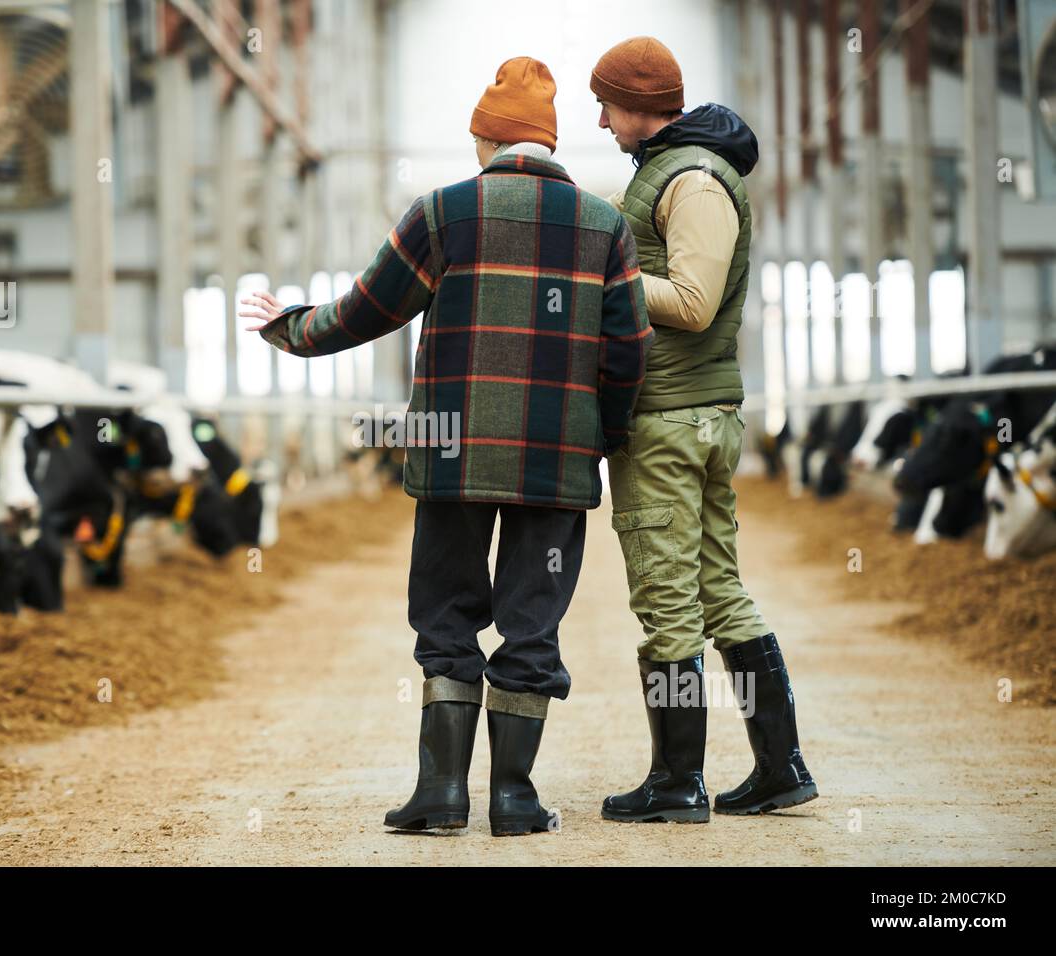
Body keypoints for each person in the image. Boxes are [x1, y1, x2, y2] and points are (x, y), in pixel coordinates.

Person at [242, 56, 651, 836]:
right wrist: (605, 435)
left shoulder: (443, 212)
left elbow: (366, 309)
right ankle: (514, 799)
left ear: (485, 139)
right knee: (533, 621)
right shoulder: (606, 226)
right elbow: (629, 349)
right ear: (549, 144)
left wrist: (286, 326)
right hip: (556, 461)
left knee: (446, 614)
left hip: (453, 453)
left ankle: (441, 795)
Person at [590, 36, 818, 823]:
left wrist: (605, 276)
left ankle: (675, 782)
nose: (600, 120)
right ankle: (778, 768)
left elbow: (691, 300)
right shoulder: (674, 172)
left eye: (609, 105)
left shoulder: (691, 181)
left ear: (642, 107)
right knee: (718, 592)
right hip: (698, 415)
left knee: (670, 603)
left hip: (671, 420)